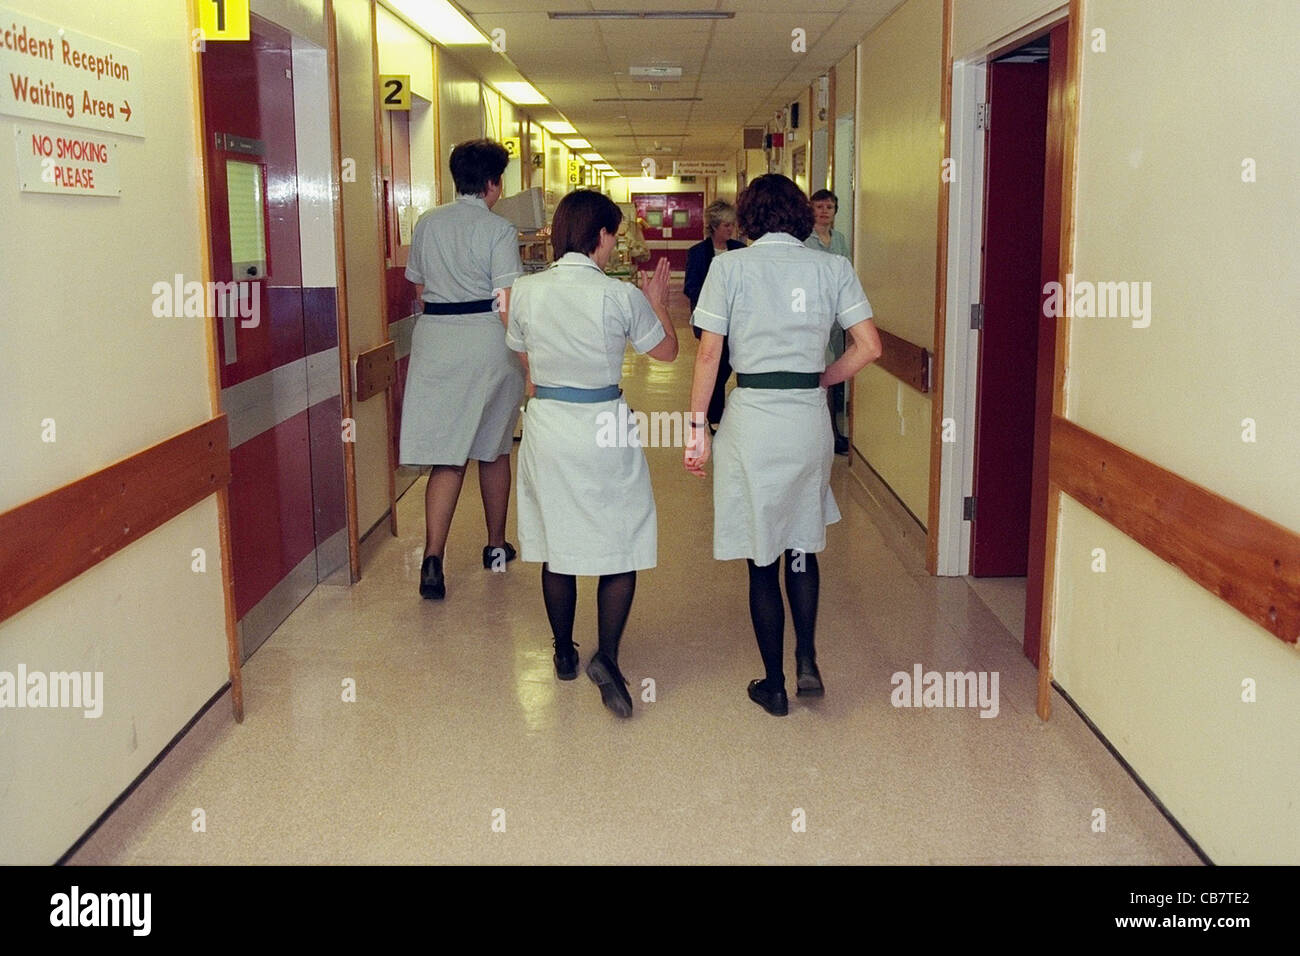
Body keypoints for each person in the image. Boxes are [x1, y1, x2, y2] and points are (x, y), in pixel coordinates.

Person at [684, 174, 882, 717]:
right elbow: (869, 347)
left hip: (752, 422)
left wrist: (696, 427)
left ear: (746, 219)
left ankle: (773, 684)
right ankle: (808, 659)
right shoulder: (831, 267)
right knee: (801, 541)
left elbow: (708, 357)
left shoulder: (729, 267)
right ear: (800, 215)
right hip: (806, 422)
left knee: (761, 554)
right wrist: (820, 379)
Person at [506, 190, 677, 719]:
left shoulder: (525, 290)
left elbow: (523, 357)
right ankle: (607, 656)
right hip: (603, 425)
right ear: (600, 235)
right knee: (618, 538)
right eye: (614, 236)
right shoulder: (618, 295)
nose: (614, 248)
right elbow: (667, 352)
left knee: (558, 540)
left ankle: (562, 653)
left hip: (548, 425)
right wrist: (658, 304)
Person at [400, 139, 525, 602]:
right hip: (486, 340)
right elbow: (505, 300)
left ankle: (433, 557)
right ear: (493, 183)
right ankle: (495, 547)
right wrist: (527, 356)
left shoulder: (428, 223)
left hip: (435, 339)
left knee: (447, 454)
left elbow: (418, 288)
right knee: (493, 448)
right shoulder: (498, 230)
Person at [683, 200, 746, 429]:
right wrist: (713, 302)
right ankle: (715, 417)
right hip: (712, 321)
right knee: (717, 371)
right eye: (726, 225)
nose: (731, 230)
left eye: (733, 225)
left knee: (735, 366)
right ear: (714, 226)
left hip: (737, 321)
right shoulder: (698, 253)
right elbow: (691, 286)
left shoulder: (741, 250)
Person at [805, 189, 854, 455]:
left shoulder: (840, 240)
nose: (824, 211)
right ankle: (821, 435)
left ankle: (835, 433)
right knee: (818, 378)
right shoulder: (803, 240)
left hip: (838, 320)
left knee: (837, 378)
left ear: (836, 211)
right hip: (813, 318)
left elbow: (847, 275)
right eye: (819, 206)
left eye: (830, 207)